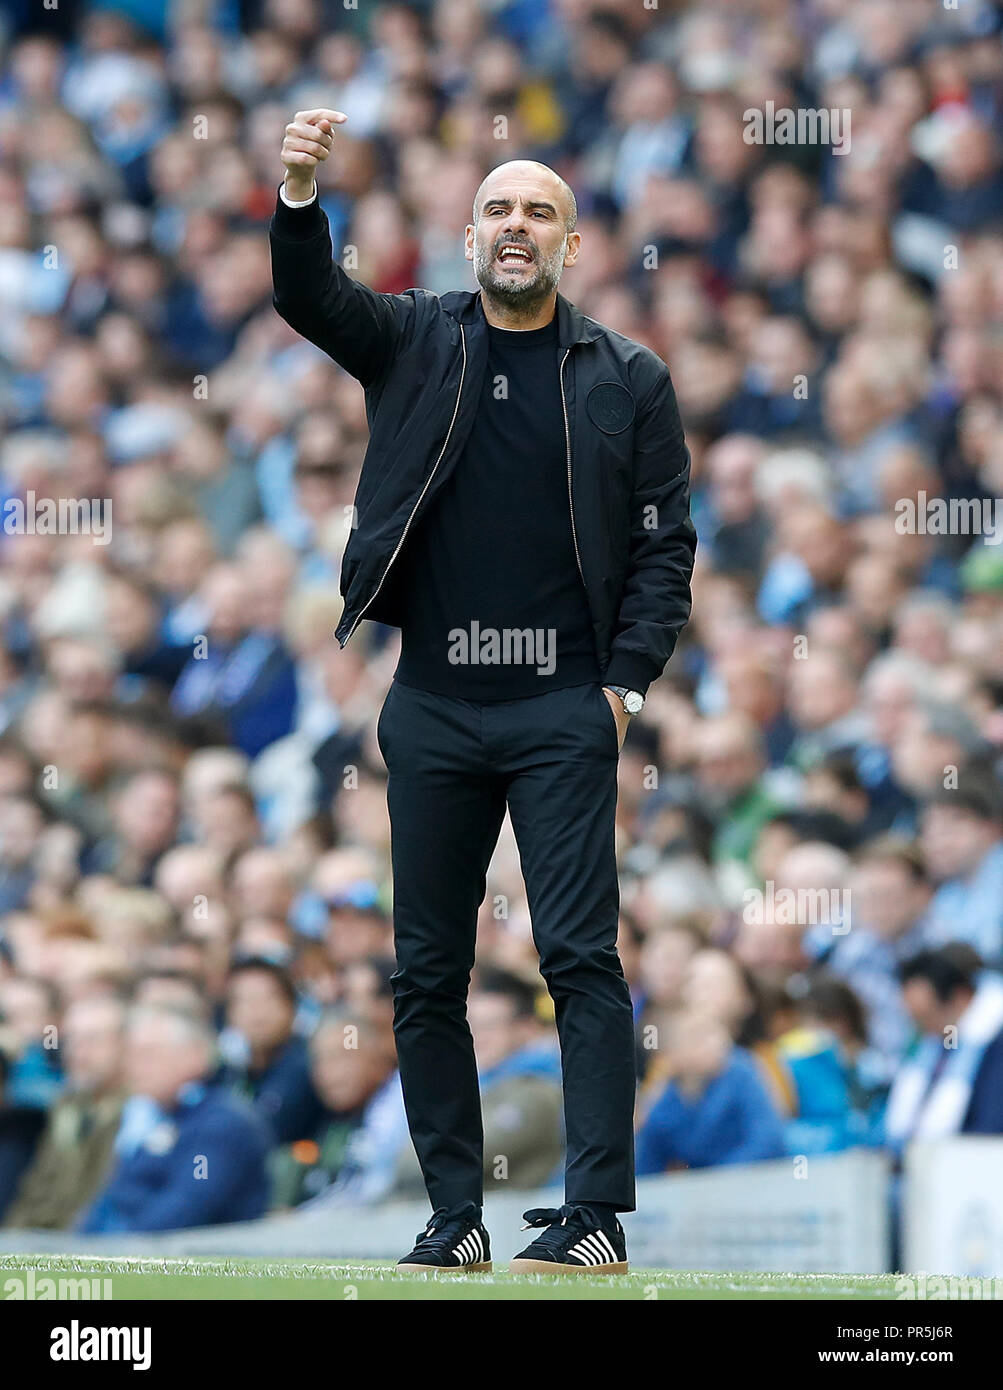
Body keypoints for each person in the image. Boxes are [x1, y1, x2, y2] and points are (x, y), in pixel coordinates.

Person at [271, 110, 695, 1274]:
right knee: (424, 972)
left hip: (564, 704)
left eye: (538, 212)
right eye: (498, 209)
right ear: (469, 238)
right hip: (434, 702)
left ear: (572, 244)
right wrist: (300, 193)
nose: (516, 226)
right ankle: (453, 1215)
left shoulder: (630, 377)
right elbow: (309, 297)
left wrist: (622, 690)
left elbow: (665, 546)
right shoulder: (415, 336)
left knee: (579, 957)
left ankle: (593, 1213)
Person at [78, 1006, 270, 1233]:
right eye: (131, 1055)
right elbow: (113, 1198)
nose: (134, 1066)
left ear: (195, 1055)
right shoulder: (155, 1116)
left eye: (149, 1054)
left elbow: (185, 1209)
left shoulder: (225, 1125)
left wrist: (111, 1248)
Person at [4, 995, 126, 1230]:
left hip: (90, 1242)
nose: (77, 1052)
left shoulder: (138, 1112)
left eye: (92, 1040)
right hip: (40, 1238)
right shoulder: (67, 1105)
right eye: (72, 1040)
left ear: (123, 1045)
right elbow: (37, 1187)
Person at [884, 946, 1003, 1152]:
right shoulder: (932, 1044)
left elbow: (988, 1129)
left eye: (926, 1016)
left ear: (960, 998)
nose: (922, 1029)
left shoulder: (995, 1047)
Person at [221, 958, 324, 1143]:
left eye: (268, 998)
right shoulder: (229, 1071)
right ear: (229, 1013)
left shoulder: (310, 1066)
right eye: (245, 1001)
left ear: (291, 1006)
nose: (257, 1011)